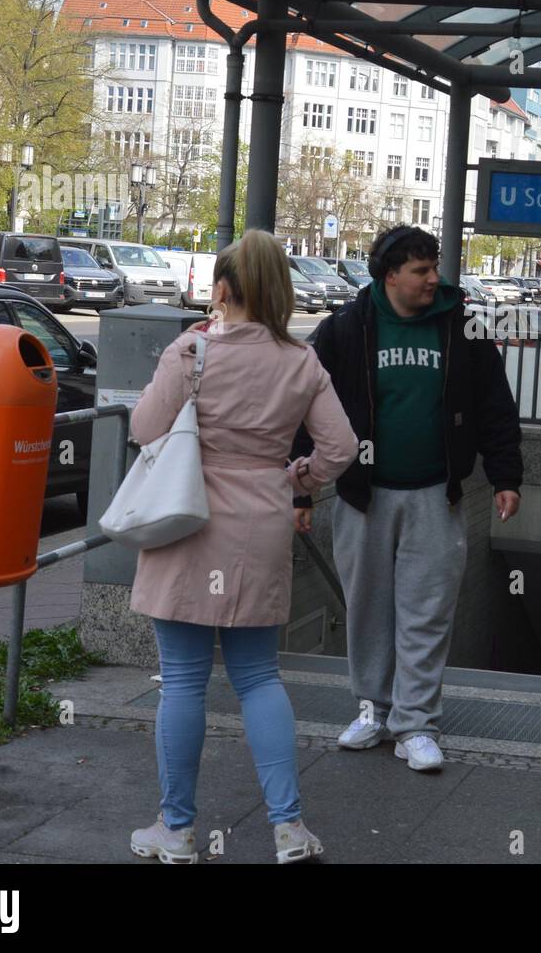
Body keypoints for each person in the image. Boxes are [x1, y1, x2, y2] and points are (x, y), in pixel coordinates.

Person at [127, 230, 358, 864]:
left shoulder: (192, 351)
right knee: (259, 678)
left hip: (187, 522)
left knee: (182, 682)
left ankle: (175, 831)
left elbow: (144, 428)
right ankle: (288, 827)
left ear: (223, 290)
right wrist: (294, 478)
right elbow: (338, 449)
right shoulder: (302, 362)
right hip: (259, 525)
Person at [292, 227, 522, 771]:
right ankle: (374, 711)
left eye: (434, 267)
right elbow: (305, 406)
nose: (432, 279)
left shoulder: (462, 329)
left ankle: (416, 724)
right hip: (362, 495)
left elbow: (495, 405)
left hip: (435, 495)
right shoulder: (345, 329)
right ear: (389, 274)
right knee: (368, 610)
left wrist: (506, 475)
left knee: (427, 612)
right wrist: (302, 489)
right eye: (421, 270)